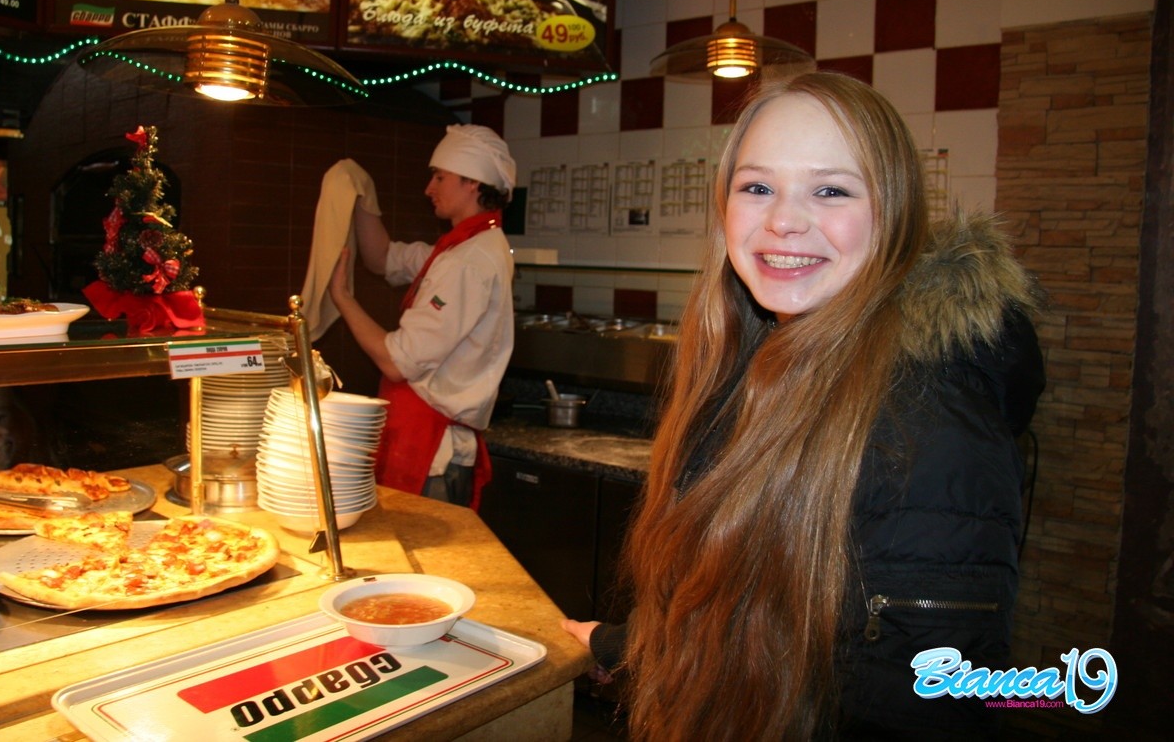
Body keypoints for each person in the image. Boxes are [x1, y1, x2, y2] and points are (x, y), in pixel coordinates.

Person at [561, 72, 1045, 739]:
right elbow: (747, 605)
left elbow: (918, 711)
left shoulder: (929, 428)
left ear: (894, 211)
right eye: (758, 186)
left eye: (831, 189)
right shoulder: (756, 359)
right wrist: (621, 645)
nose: (783, 220)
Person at [328, 124, 516, 510]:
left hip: (434, 454)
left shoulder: (470, 260)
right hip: (423, 441)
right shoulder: (460, 247)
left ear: (472, 183)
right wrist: (365, 197)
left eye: (439, 177)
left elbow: (396, 362)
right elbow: (382, 258)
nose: (429, 188)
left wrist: (342, 298)